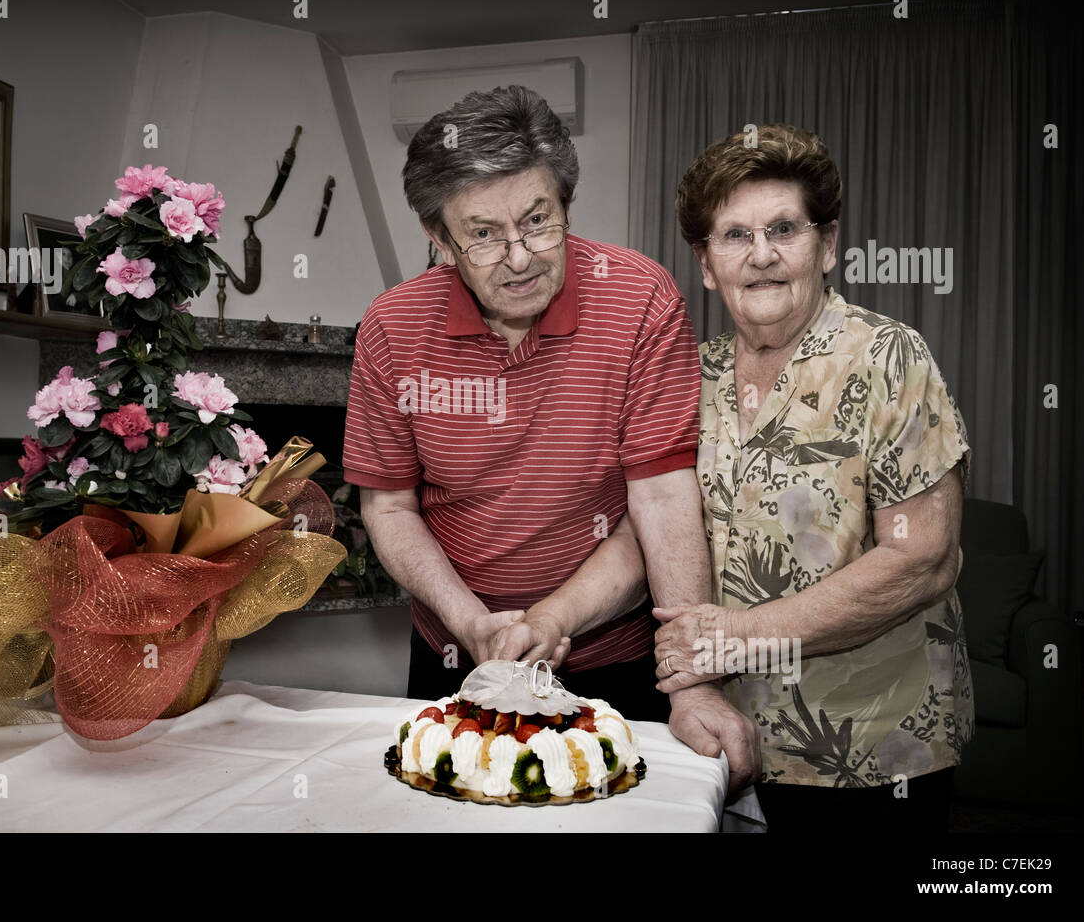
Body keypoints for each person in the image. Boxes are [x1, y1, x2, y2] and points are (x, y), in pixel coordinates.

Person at [343, 86, 759, 794]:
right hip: (454, 658)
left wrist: (691, 683)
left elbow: (657, 499)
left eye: (539, 220)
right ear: (437, 237)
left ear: (565, 205)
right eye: (481, 234)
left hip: (615, 664)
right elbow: (388, 508)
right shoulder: (390, 327)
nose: (520, 257)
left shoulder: (642, 301)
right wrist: (470, 622)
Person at [654, 123, 973, 830]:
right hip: (725, 742)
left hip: (870, 750)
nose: (761, 255)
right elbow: (651, 519)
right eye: (734, 236)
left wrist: (736, 637)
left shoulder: (888, 356)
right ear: (707, 265)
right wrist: (550, 617)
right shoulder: (692, 375)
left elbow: (922, 561)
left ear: (826, 246)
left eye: (784, 229)